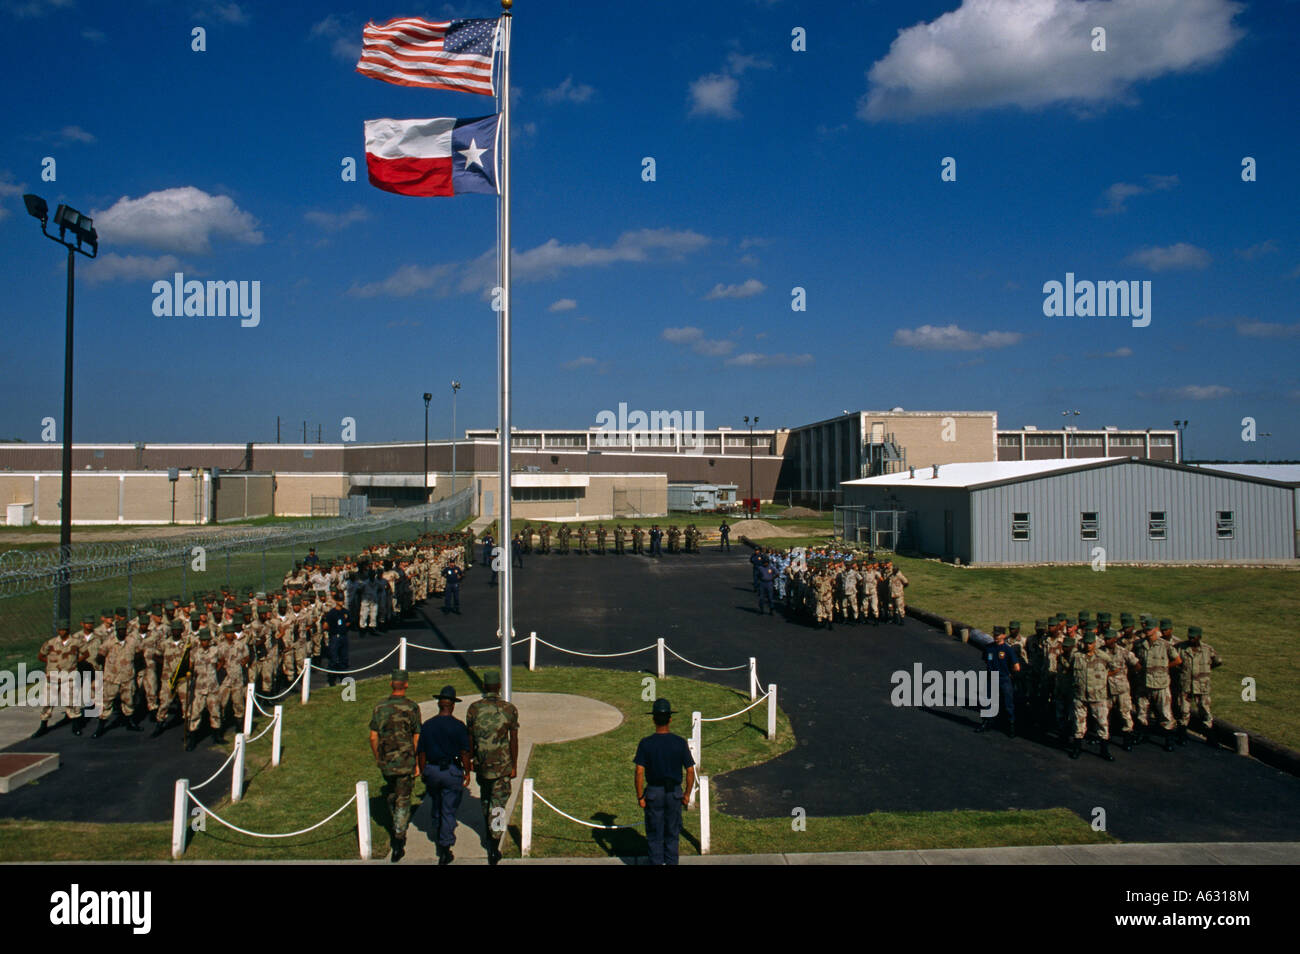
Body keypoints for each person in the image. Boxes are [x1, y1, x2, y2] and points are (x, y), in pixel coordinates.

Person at [633, 698, 697, 866]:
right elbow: (690, 771)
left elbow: (639, 772)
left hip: (654, 794)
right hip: (674, 793)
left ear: (653, 719)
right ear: (670, 719)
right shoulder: (679, 742)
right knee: (672, 835)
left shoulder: (646, 743)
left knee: (654, 836)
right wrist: (687, 794)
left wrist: (640, 796)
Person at [466, 670, 519, 865]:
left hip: (481, 764)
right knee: (499, 804)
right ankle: (493, 844)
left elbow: (470, 737)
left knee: (486, 797)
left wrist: (471, 758)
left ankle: (489, 832)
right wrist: (513, 763)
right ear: (498, 687)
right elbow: (513, 739)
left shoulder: (473, 709)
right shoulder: (509, 709)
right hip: (502, 765)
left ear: (484, 687)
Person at [370, 670, 423, 862]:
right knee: (403, 798)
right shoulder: (412, 707)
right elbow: (417, 736)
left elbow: (373, 736)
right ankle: (399, 837)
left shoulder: (379, 707)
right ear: (406, 684)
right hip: (405, 761)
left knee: (393, 794)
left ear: (392, 684)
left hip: (387, 760)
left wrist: (378, 757)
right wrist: (416, 761)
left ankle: (396, 824)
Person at [418, 685, 472, 865]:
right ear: (452, 705)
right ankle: (445, 847)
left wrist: (423, 770)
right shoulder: (458, 726)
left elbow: (422, 752)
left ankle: (437, 826)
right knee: (448, 809)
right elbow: (465, 752)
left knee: (436, 801)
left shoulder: (428, 725)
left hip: (432, 770)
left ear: (439, 705)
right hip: (451, 771)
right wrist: (466, 771)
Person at [976, 626, 1020, 736]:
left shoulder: (1007, 649)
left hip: (1004, 678)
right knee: (987, 701)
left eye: (998, 635)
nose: (996, 636)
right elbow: (986, 660)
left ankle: (1011, 725)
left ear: (1004, 636)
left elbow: (1016, 666)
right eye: (995, 634)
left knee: (1008, 702)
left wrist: (1010, 675)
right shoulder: (988, 648)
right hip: (991, 677)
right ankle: (986, 722)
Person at [323, 597, 349, 686]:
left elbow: (349, 622)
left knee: (343, 658)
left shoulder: (345, 612)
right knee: (333, 659)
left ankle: (343, 677)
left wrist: (343, 628)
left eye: (342, 600)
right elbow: (325, 626)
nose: (341, 602)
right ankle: (331, 679)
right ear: (336, 601)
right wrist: (334, 630)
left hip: (343, 637)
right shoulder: (332, 613)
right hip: (334, 637)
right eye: (340, 600)